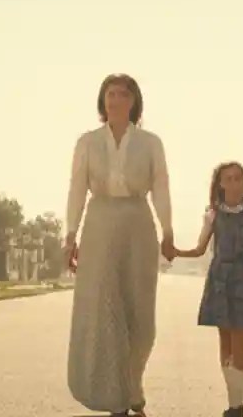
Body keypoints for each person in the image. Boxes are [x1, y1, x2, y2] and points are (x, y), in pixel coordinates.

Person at [65, 73, 175, 417]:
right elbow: (76, 190)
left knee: (140, 318)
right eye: (110, 94)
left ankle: (133, 387)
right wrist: (70, 236)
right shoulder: (86, 142)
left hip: (137, 224)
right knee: (105, 314)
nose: (116, 100)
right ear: (103, 101)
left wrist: (168, 230)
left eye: (123, 94)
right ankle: (118, 400)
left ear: (134, 101)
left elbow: (160, 186)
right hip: (99, 224)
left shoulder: (151, 143)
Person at [174, 161, 243, 417]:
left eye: (239, 178)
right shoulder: (213, 214)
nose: (235, 183)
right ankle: (232, 402)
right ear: (220, 184)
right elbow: (200, 249)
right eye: (229, 178)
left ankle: (238, 406)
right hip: (220, 280)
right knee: (224, 341)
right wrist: (175, 251)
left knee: (240, 340)